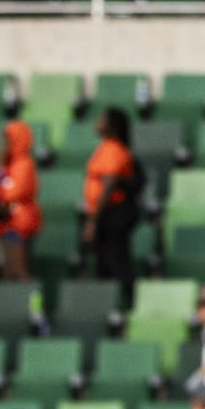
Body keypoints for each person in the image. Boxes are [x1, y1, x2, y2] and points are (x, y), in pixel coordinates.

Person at [82, 107, 142, 296]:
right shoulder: (105, 147)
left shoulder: (114, 150)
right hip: (105, 213)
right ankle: (107, 301)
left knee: (116, 261)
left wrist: (94, 220)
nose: (97, 123)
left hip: (113, 213)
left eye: (102, 119)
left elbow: (108, 186)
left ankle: (128, 300)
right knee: (103, 264)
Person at [0, 118, 41, 283]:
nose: (4, 143)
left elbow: (17, 191)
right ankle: (10, 306)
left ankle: (33, 305)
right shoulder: (7, 164)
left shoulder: (24, 164)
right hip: (7, 223)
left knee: (19, 270)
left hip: (19, 223)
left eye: (8, 138)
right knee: (8, 272)